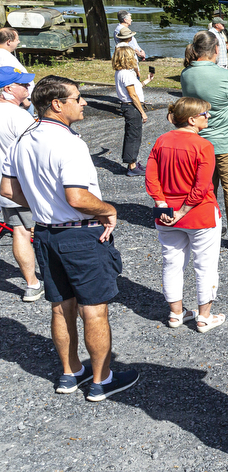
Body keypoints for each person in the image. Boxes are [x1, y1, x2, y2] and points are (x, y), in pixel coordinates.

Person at [1, 75, 139, 401]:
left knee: (61, 308)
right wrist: (107, 209)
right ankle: (101, 380)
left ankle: (69, 372)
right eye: (78, 98)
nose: (84, 102)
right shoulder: (70, 143)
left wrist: (40, 203)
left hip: (47, 234)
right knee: (93, 310)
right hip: (80, 235)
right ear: (57, 104)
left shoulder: (23, 138)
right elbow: (77, 197)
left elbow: (7, 189)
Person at [145, 97, 225, 332]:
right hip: (199, 214)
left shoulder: (161, 141)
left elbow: (151, 178)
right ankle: (204, 317)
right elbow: (201, 187)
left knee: (171, 263)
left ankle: (176, 314)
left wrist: (162, 203)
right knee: (205, 266)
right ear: (192, 119)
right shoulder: (203, 146)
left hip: (166, 214)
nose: (208, 117)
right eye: (205, 114)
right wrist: (182, 211)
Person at [180, 30, 228, 250]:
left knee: (206, 185)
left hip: (202, 140)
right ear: (216, 50)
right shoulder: (224, 75)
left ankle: (209, 222)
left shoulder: (186, 74)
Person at [0, 66, 41, 301]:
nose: (28, 87)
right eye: (22, 84)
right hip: (23, 184)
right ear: (7, 89)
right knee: (40, 230)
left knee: (19, 230)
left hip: (3, 184)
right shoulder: (18, 116)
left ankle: (31, 284)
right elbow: (36, 151)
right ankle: (54, 278)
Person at [112, 42, 152, 177]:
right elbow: (133, 95)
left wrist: (147, 81)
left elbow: (136, 88)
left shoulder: (123, 73)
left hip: (129, 106)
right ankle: (132, 166)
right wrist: (142, 112)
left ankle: (133, 162)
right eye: (133, 55)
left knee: (133, 135)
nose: (135, 58)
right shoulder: (126, 74)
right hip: (132, 107)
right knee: (133, 137)